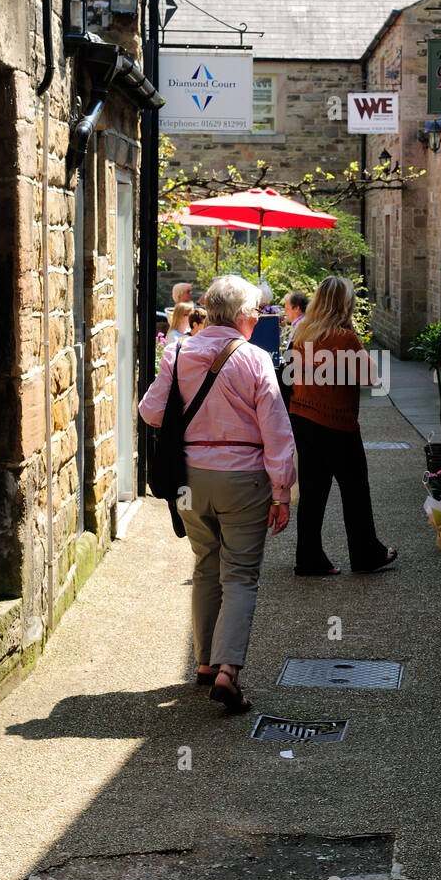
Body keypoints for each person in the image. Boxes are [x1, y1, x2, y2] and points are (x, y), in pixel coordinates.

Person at [139, 275, 295, 712]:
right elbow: (277, 432)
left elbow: (151, 411)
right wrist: (282, 493)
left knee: (206, 562)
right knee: (240, 573)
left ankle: (205, 663)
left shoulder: (178, 351)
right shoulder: (256, 360)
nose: (258, 319)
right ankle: (227, 672)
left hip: (190, 478)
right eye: (257, 313)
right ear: (244, 316)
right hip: (243, 479)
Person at [288, 275, 396, 576]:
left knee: (312, 493)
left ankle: (308, 559)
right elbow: (372, 378)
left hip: (303, 418)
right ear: (344, 304)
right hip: (336, 423)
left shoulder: (302, 334)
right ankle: (366, 555)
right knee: (355, 491)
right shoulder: (343, 337)